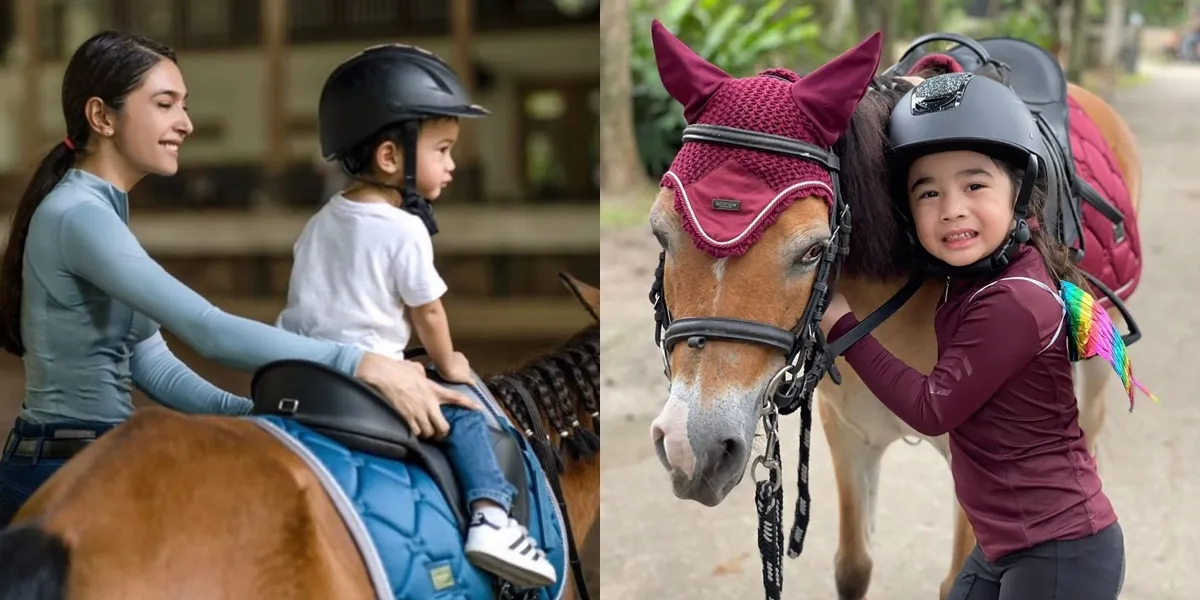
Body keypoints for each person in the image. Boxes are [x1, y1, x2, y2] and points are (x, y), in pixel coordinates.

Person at [0, 31, 476, 528]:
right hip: (60, 469)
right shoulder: (79, 216)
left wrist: (259, 414)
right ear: (102, 117)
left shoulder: (96, 212)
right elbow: (207, 329)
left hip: (96, 455)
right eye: (165, 105)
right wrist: (363, 365)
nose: (185, 123)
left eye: (184, 106)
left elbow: (151, 363)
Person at [820, 72, 1143, 599]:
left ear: (1018, 191)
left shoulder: (1014, 302)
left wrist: (844, 327)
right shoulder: (974, 281)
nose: (952, 208)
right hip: (1001, 549)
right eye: (928, 193)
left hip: (1060, 552)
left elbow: (931, 410)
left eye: (974, 185)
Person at [274, 44, 557, 589]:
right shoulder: (403, 229)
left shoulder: (320, 222)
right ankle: (492, 517)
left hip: (302, 371)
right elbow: (427, 309)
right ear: (389, 157)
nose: (452, 164)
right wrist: (451, 364)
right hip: (371, 377)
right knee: (468, 413)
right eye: (443, 149)